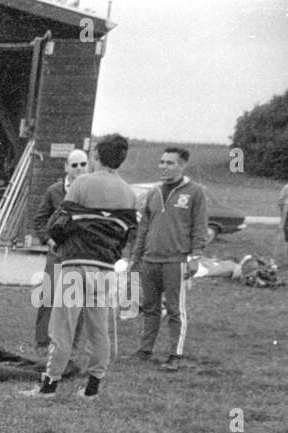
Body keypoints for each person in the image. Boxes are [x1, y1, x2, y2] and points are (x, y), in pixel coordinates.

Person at [23, 133, 137, 399]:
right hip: (104, 268)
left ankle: (48, 386)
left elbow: (59, 222)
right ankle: (92, 389)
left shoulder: (82, 184)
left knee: (62, 327)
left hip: (75, 265)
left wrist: (56, 244)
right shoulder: (129, 193)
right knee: (98, 329)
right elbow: (128, 233)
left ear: (96, 155)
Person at [129, 146, 209, 372]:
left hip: (176, 260)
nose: (163, 166)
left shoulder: (195, 192)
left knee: (175, 309)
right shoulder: (154, 193)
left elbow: (200, 227)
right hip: (150, 260)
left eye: (170, 163)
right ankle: (145, 350)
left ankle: (176, 354)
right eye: (162, 162)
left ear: (182, 165)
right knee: (150, 308)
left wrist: (194, 257)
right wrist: (136, 257)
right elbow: (144, 227)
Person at [31, 149, 89, 353]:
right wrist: (48, 240)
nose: (79, 169)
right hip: (57, 254)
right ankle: (42, 340)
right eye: (74, 165)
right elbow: (39, 218)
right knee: (49, 295)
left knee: (75, 299)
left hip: (81, 255)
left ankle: (71, 343)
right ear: (66, 167)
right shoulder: (54, 190)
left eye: (83, 164)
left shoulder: (93, 191)